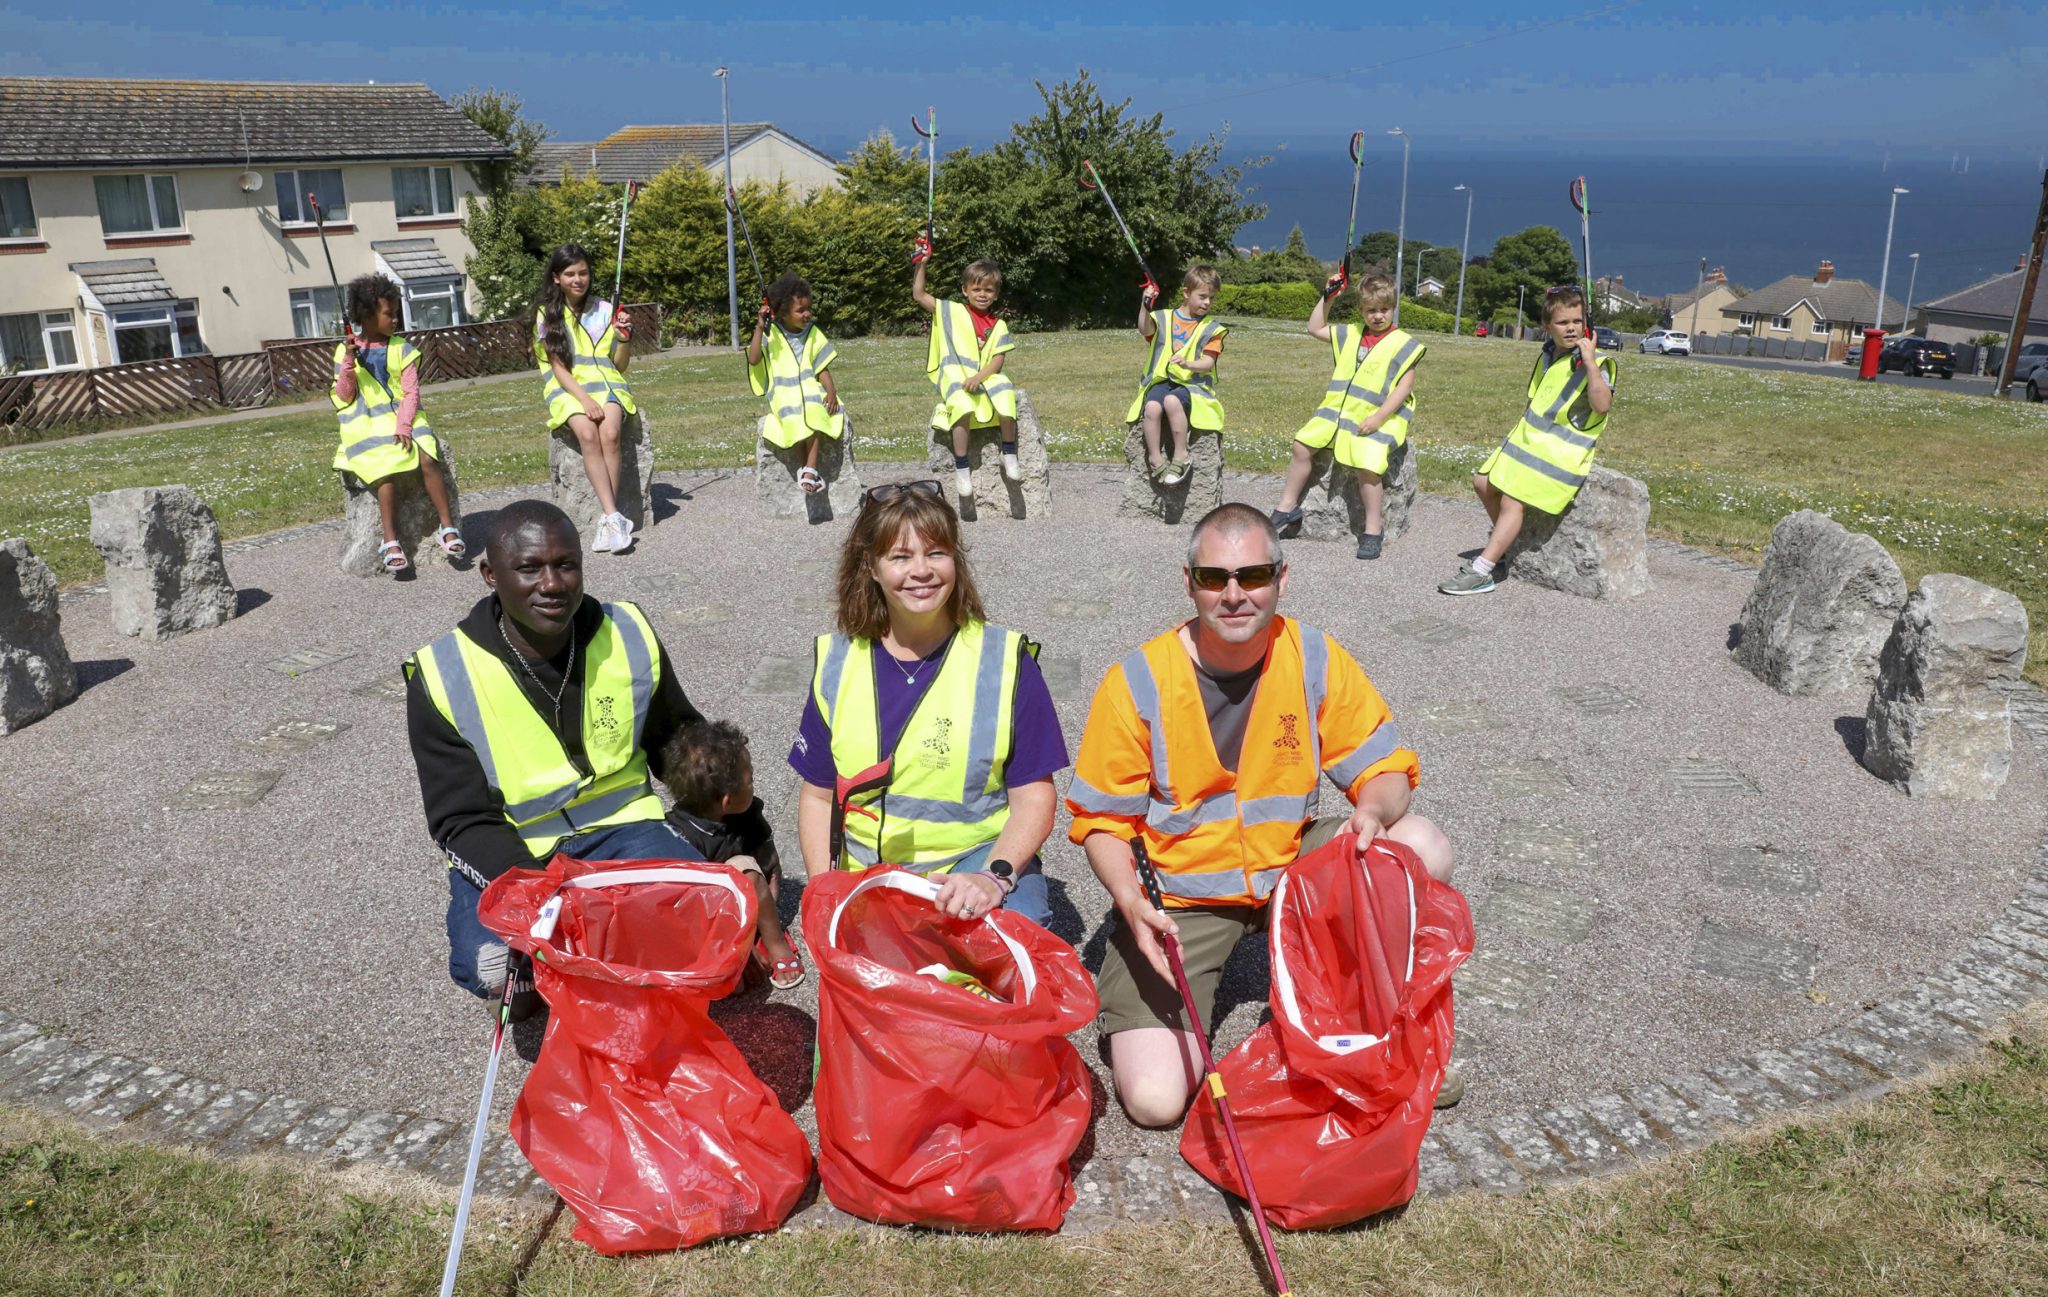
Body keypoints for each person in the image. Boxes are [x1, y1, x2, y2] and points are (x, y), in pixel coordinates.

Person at [1066, 503, 1457, 1126]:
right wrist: (1129, 898)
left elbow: (1384, 767)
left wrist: (1374, 813)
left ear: (1282, 576)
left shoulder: (1313, 655)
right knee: (1155, 1102)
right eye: (1213, 578)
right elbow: (1102, 821)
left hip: (1287, 872)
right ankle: (1153, 974)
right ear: (1187, 581)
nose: (1233, 595)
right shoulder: (1136, 681)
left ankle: (1366, 1010)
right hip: (1182, 901)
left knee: (1421, 845)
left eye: (1253, 576)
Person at [406, 500, 706, 1009]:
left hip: (628, 830)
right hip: (515, 852)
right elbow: (461, 819)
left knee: (704, 917)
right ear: (489, 574)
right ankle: (551, 972)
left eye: (566, 564)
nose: (552, 584)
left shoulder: (626, 631)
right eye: (529, 568)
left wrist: (731, 825)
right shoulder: (441, 675)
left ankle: (593, 964)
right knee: (494, 967)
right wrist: (539, 901)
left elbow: (678, 739)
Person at [790, 482, 1067, 927]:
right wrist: (824, 892)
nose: (921, 570)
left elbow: (1035, 797)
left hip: (971, 863)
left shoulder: (1004, 663)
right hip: (869, 874)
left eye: (936, 553)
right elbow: (819, 796)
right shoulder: (838, 662)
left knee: (1018, 923)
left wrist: (993, 877)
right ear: (872, 568)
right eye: (900, 557)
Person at [1439, 284, 1616, 596]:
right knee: (1482, 483)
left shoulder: (1597, 362)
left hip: (1559, 455)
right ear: (1547, 327)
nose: (1571, 328)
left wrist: (1589, 364)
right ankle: (1507, 545)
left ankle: (1483, 569)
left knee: (1512, 499)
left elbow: (1602, 405)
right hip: (1528, 444)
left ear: (1585, 323)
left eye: (1577, 321)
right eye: (1563, 322)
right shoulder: (1548, 355)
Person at [1267, 272, 1425, 560]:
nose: (1378, 316)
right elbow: (1315, 328)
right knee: (1302, 445)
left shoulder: (1403, 343)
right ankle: (1286, 508)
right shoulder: (1351, 333)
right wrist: (1328, 297)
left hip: (1378, 417)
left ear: (1393, 308)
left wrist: (1379, 418)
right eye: (1371, 310)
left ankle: (1372, 530)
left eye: (1384, 310)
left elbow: (1405, 387)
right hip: (1336, 412)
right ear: (1361, 310)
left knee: (1368, 464)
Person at [330, 273, 462, 573]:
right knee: (384, 470)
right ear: (366, 315)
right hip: (366, 424)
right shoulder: (345, 351)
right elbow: (344, 394)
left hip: (404, 418)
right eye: (389, 314)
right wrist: (349, 362)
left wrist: (404, 425)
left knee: (428, 458)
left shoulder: (403, 348)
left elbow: (411, 392)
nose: (396, 320)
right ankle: (390, 540)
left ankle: (447, 527)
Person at [660, 719, 805, 990]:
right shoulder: (681, 837)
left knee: (747, 867)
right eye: (751, 780)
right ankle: (737, 956)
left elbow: (765, 852)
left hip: (744, 897)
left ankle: (777, 945)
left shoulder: (747, 812)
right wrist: (741, 947)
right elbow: (688, 912)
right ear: (727, 800)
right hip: (706, 916)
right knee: (733, 984)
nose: (754, 784)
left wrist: (769, 863)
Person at [534, 244, 639, 555]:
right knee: (587, 433)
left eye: (583, 273)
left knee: (610, 433)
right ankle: (613, 516)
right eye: (570, 274)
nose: (578, 279)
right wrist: (584, 400)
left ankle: (611, 519)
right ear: (556, 278)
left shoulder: (607, 310)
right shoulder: (547, 314)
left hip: (608, 385)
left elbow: (619, 365)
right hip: (567, 389)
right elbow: (557, 366)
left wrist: (623, 339)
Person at [911, 244, 1021, 495]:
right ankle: (962, 468)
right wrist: (922, 264)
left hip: (986, 377)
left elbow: (998, 361)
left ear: (996, 294)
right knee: (960, 406)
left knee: (1006, 394)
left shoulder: (999, 325)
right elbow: (919, 294)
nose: (982, 294)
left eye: (988, 290)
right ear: (965, 290)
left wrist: (980, 377)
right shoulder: (952, 311)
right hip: (956, 377)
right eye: (977, 289)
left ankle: (1009, 452)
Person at [1127, 265, 1227, 486]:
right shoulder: (1162, 318)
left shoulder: (1213, 329)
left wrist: (1188, 363)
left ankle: (1181, 455)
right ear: (1186, 293)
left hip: (1194, 387)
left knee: (1172, 402)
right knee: (1152, 408)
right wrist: (1145, 305)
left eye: (1211, 298)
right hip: (1162, 381)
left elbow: (1208, 362)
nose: (1207, 303)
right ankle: (1155, 459)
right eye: (1202, 296)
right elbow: (1145, 329)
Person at [748, 271, 845, 494]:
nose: (807, 314)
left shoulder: (813, 333)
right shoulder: (771, 334)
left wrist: (831, 392)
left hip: (811, 391)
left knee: (815, 411)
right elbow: (754, 359)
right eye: (800, 310)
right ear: (782, 312)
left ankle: (809, 470)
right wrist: (760, 327)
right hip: (784, 394)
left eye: (808, 308)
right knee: (794, 419)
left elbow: (822, 368)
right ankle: (808, 470)